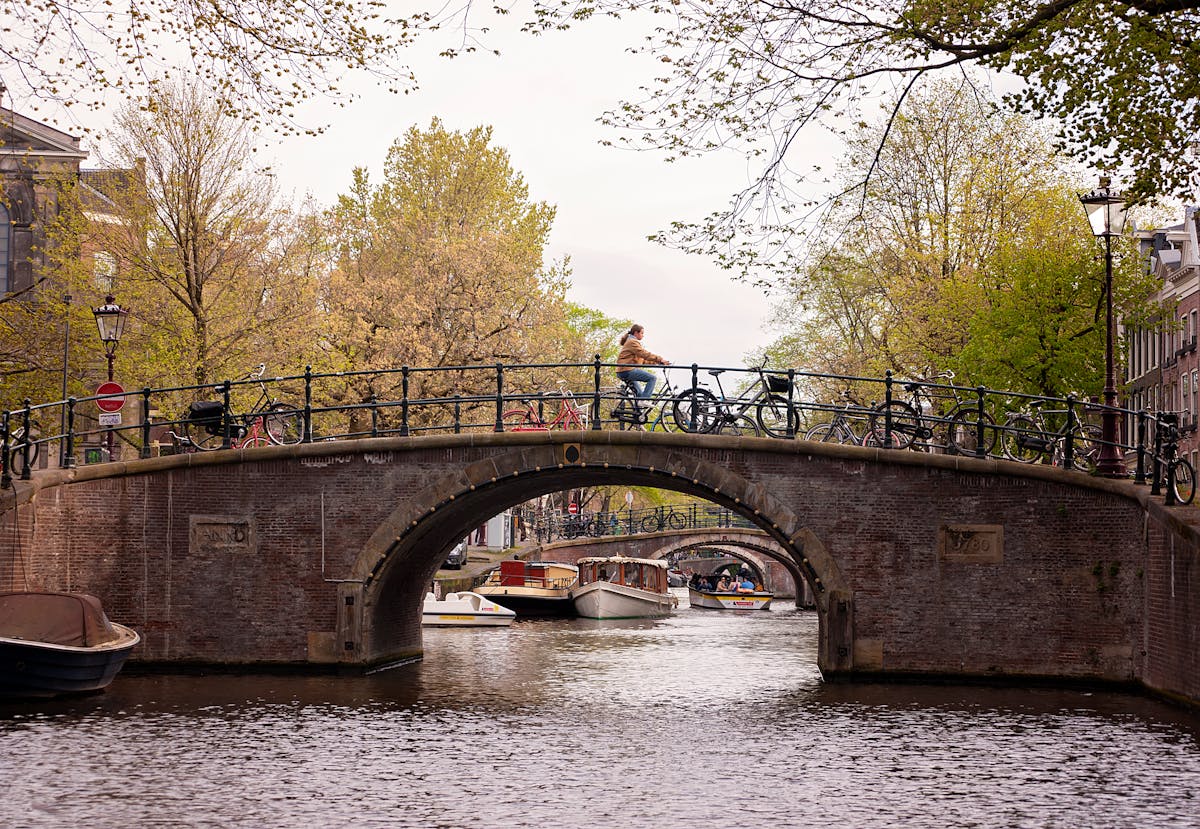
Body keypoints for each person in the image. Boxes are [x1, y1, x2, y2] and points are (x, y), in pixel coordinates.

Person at [616, 324, 670, 404]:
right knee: (652, 378)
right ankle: (644, 400)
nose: (643, 335)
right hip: (627, 370)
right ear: (636, 333)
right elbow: (644, 354)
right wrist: (660, 359)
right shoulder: (632, 342)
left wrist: (658, 362)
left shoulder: (631, 342)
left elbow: (642, 360)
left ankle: (638, 412)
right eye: (642, 333)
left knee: (640, 395)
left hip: (624, 370)